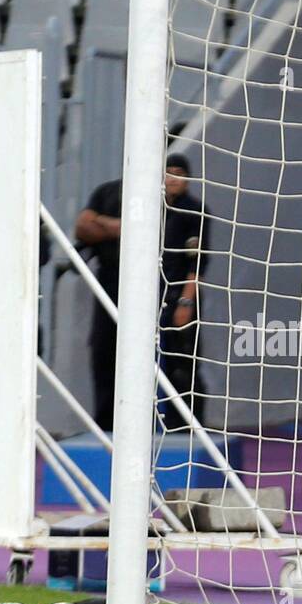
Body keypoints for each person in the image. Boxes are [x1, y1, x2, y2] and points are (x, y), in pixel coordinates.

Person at [75, 154, 206, 431]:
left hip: (164, 291)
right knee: (107, 354)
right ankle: (108, 425)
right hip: (113, 287)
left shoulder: (185, 208)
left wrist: (186, 299)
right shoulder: (109, 192)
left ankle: (184, 426)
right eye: (168, 172)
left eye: (178, 173)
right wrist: (119, 227)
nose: (172, 178)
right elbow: (84, 226)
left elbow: (195, 260)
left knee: (179, 362)